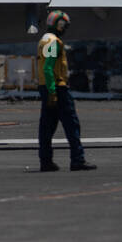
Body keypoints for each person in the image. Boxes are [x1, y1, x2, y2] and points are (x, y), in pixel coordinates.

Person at [36, 10, 95, 172]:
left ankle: (45, 161)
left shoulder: (44, 40)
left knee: (47, 127)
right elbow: (49, 68)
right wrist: (53, 91)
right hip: (57, 88)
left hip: (45, 87)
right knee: (71, 125)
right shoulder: (54, 42)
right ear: (60, 25)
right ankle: (77, 159)